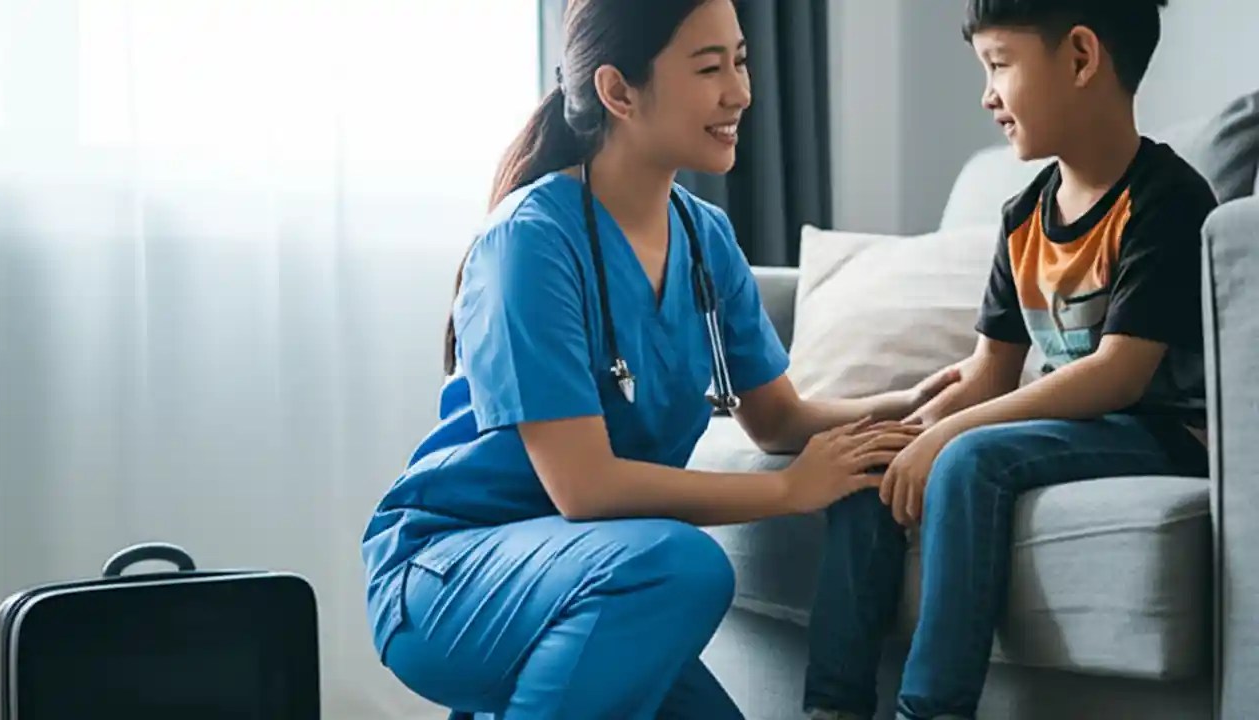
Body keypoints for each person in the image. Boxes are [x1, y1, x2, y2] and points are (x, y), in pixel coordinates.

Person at [358, 1, 961, 718]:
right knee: (684, 565)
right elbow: (584, 489)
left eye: (740, 60)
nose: (739, 91)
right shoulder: (530, 240)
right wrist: (789, 491)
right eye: (710, 68)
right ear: (618, 92)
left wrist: (910, 404)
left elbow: (777, 417)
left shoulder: (705, 237)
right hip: (450, 574)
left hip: (595, 573)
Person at [802, 1, 1220, 719]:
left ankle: (931, 708)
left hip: (1160, 432)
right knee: (867, 460)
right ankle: (832, 706)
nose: (987, 94)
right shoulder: (1024, 215)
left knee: (970, 459)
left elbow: (1118, 374)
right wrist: (911, 430)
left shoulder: (1168, 200)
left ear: (1083, 58)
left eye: (1000, 65)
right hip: (1078, 427)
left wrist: (946, 438)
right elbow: (990, 370)